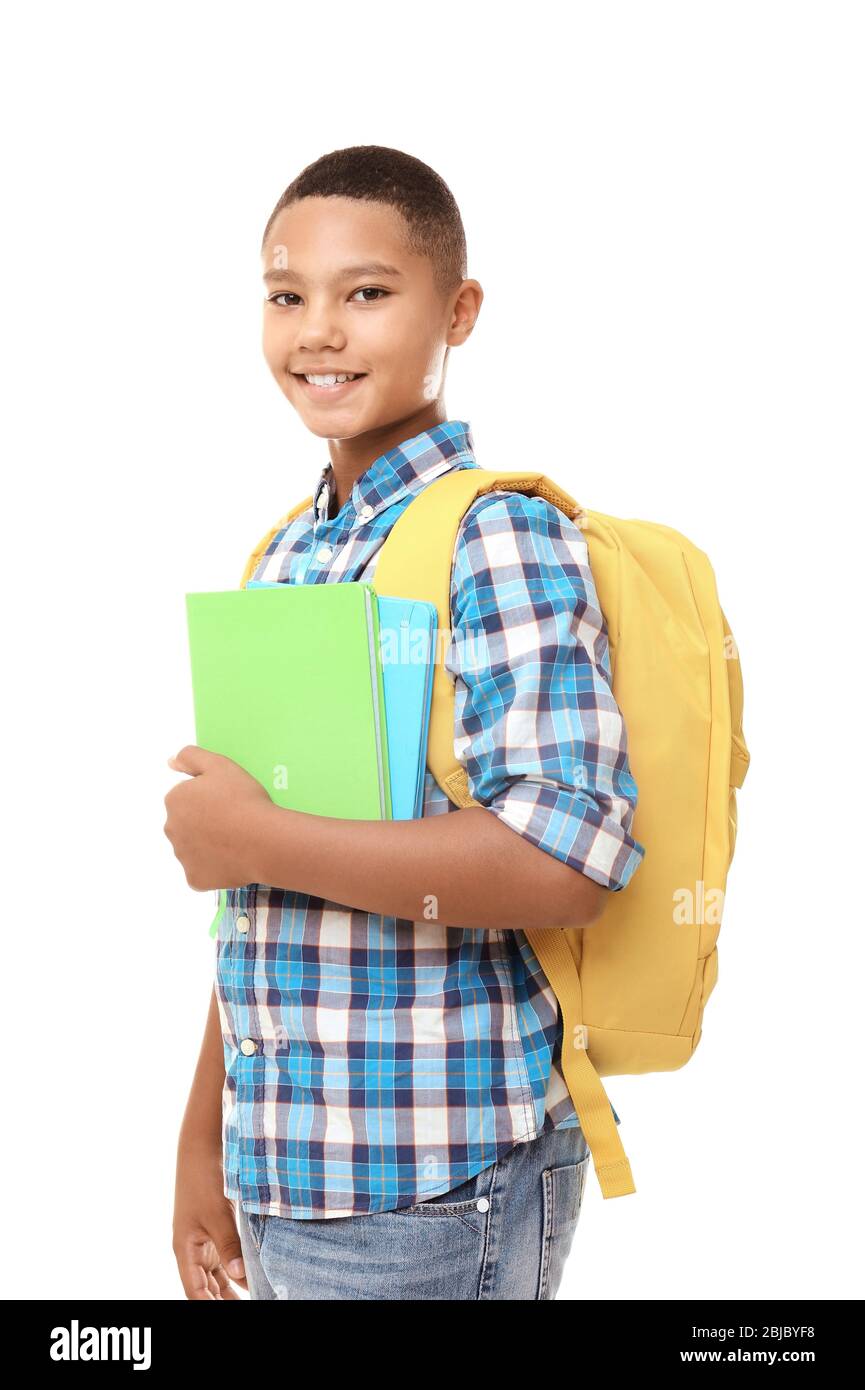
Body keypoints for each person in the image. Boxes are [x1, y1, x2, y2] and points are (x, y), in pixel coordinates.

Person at [165, 144, 645, 1301]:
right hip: (290, 1168)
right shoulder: (286, 552)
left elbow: (565, 856)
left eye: (366, 293)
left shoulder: (497, 537)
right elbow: (260, 909)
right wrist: (203, 1136)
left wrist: (256, 840)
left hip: (434, 1184)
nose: (319, 330)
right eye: (288, 295)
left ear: (458, 310)